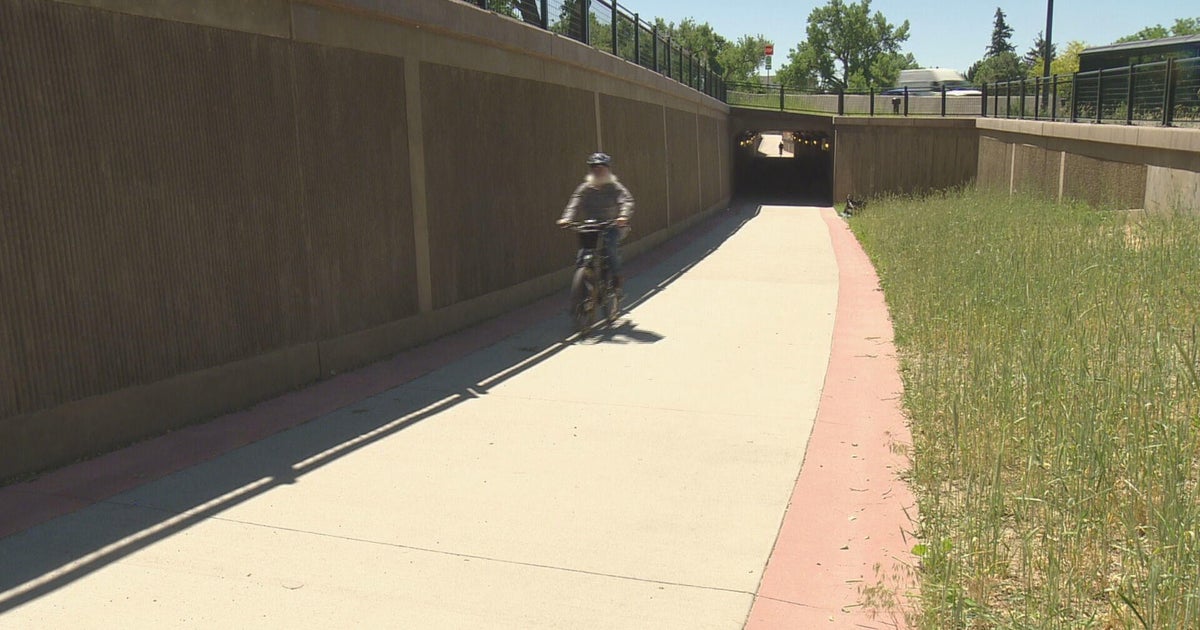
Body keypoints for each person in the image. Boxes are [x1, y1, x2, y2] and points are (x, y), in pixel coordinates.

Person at [557, 152, 634, 292]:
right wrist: (566, 218)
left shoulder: (615, 187)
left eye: (601, 167)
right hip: (591, 225)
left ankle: (617, 276)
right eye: (593, 167)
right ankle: (583, 287)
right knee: (582, 254)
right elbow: (574, 202)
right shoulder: (585, 188)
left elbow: (627, 201)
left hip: (612, 224)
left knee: (610, 246)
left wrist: (623, 216)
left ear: (608, 169)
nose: (597, 170)